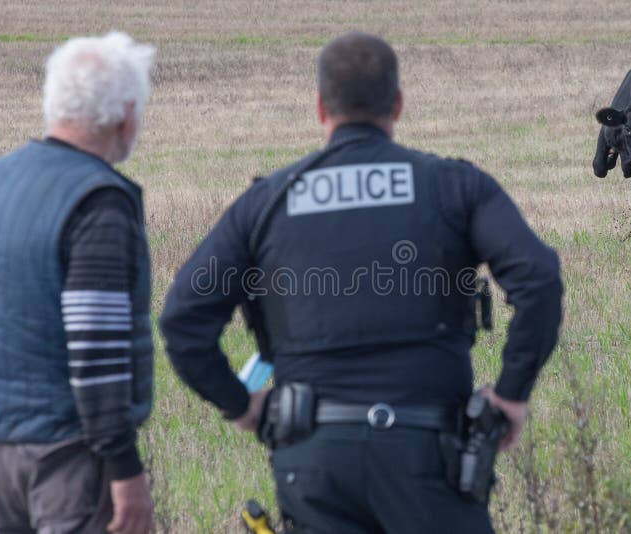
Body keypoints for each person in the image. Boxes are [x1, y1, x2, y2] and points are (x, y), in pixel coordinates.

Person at [160, 32, 563, 533]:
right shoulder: (454, 186)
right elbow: (539, 278)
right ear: (397, 103)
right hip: (430, 457)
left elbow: (181, 320)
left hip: (313, 462)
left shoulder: (265, 203)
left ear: (319, 107)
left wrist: (242, 407)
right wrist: (511, 393)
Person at [0, 32, 155, 534]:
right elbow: (98, 348)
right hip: (69, 460)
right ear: (124, 113)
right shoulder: (97, 201)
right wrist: (124, 467)